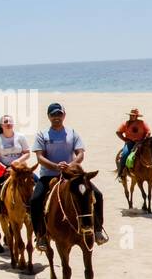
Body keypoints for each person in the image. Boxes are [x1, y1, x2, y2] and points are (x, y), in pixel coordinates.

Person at [29, 102, 109, 249]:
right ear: (48, 116)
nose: (56, 117)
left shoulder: (72, 133)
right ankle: (40, 235)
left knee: (97, 195)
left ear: (64, 115)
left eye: (59, 114)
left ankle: (97, 229)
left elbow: (80, 154)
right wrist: (55, 166)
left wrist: (71, 165)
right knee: (35, 200)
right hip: (49, 175)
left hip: (73, 175)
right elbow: (39, 157)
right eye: (53, 115)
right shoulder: (42, 134)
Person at [0, 115, 32, 220]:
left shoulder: (20, 137)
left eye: (10, 121)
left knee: (36, 183)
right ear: (1, 125)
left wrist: (18, 161)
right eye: (5, 122)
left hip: (20, 169)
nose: (8, 123)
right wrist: (3, 166)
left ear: (13, 123)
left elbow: (27, 153)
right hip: (4, 170)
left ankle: (39, 218)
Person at [115, 108, 152, 179]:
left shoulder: (142, 123)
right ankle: (121, 174)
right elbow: (118, 132)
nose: (131, 116)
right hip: (130, 143)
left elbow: (148, 131)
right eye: (130, 115)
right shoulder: (126, 123)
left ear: (136, 116)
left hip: (141, 142)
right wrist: (124, 139)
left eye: (133, 115)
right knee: (124, 154)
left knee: (151, 153)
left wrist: (145, 138)